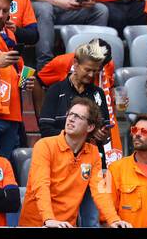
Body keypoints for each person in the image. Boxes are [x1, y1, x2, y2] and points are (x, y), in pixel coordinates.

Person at [20, 96, 127, 228]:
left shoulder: (93, 153)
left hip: (67, 225)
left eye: (78, 117)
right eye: (70, 114)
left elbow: (100, 191)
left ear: (90, 127)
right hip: (37, 224)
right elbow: (41, 185)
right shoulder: (44, 145)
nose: (71, 119)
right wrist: (49, 219)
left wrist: (114, 220)